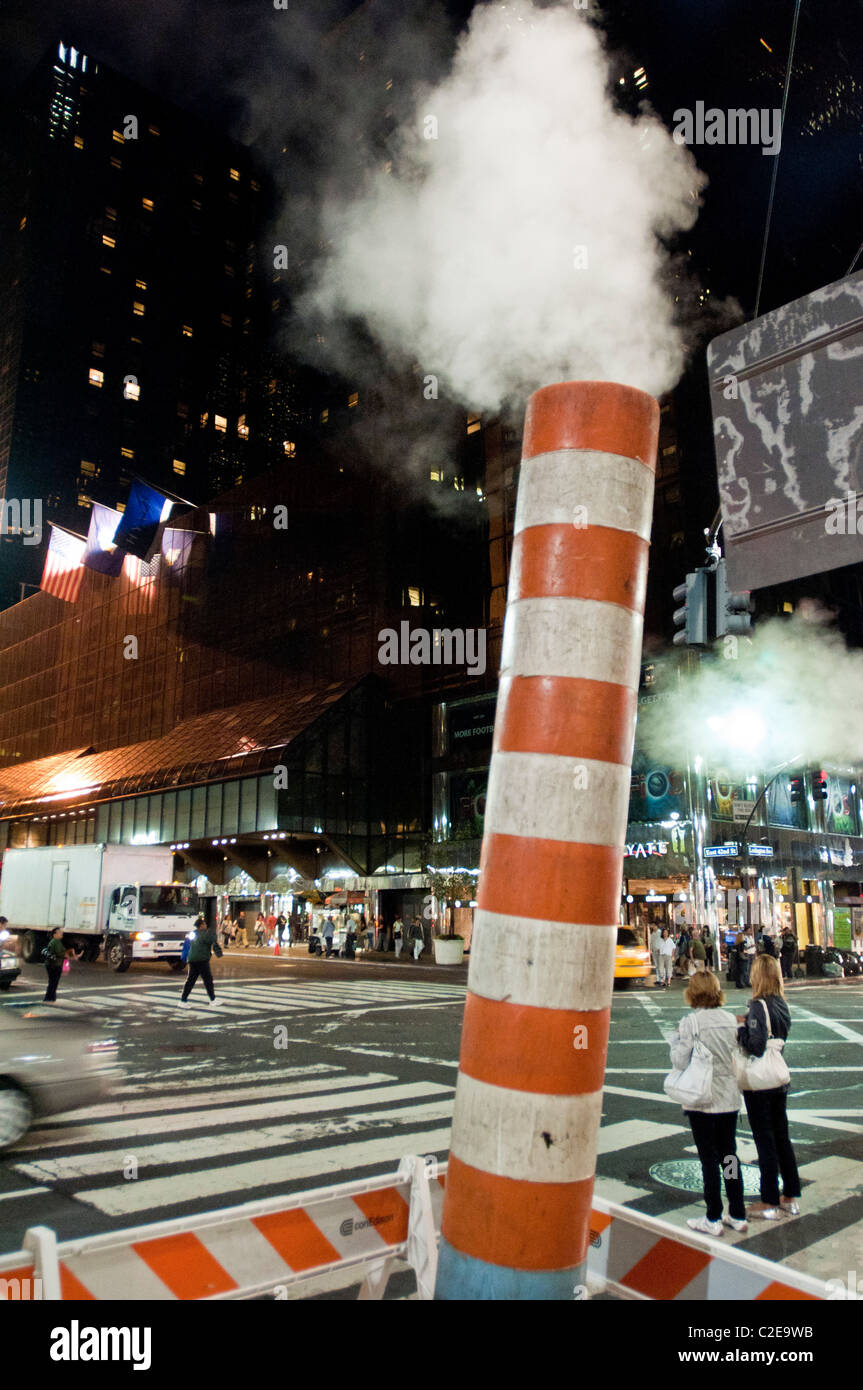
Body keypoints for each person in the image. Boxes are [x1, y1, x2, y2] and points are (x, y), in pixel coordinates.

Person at [668, 969, 747, 1237]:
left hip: (702, 1098)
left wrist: (677, 1038)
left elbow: (680, 1061)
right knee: (729, 1155)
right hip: (729, 1097)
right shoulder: (729, 1019)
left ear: (693, 992)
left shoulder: (691, 1022)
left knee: (708, 1160)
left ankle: (713, 1216)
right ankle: (737, 1212)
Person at [736, 953, 801, 1221]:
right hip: (778, 1078)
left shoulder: (758, 1005)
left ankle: (769, 1201)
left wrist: (741, 1030)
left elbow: (757, 1045)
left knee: (765, 1140)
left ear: (758, 975)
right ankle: (791, 1196)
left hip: (761, 1083)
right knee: (782, 1137)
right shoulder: (782, 1005)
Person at [179, 916, 222, 1008]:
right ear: (201, 925)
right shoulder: (205, 934)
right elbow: (211, 940)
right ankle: (212, 1000)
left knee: (190, 980)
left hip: (192, 959)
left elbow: (188, 944)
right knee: (208, 980)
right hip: (201, 960)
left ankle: (183, 1000)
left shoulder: (193, 933)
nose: (206, 925)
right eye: (205, 924)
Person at [41, 927, 80, 1004]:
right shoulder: (56, 942)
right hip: (54, 965)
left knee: (52, 982)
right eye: (60, 932)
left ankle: (50, 998)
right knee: (53, 982)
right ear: (55, 934)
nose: (62, 933)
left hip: (52, 964)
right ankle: (49, 998)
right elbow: (60, 953)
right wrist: (72, 956)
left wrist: (71, 955)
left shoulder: (56, 941)